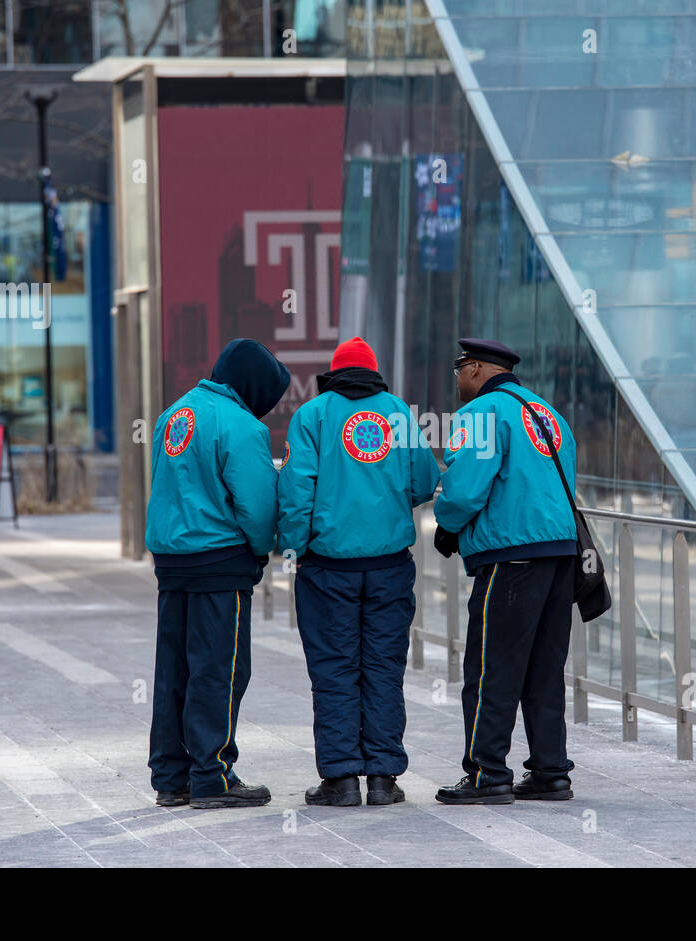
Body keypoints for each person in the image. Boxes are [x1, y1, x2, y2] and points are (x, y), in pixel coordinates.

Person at [278, 337, 439, 807]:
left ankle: (342, 779)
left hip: (327, 569)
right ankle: (384, 779)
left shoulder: (312, 415)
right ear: (375, 372)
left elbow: (295, 493)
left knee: (334, 670)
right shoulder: (398, 413)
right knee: (384, 669)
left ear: (334, 373)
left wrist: (294, 548)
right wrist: (387, 501)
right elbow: (426, 481)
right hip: (389, 566)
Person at [431, 338, 579, 805]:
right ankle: (551, 772)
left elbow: (464, 487)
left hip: (511, 556)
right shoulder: (547, 413)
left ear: (474, 369)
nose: (457, 381)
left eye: (458, 371)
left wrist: (446, 525)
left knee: (491, 668)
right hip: (561, 554)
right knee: (543, 668)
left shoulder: (480, 413)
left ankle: (486, 774)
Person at [144, 339, 289, 809]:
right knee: (219, 671)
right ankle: (213, 775)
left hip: (172, 564)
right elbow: (257, 506)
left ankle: (172, 777)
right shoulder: (240, 426)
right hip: (219, 564)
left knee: (174, 671)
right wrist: (263, 548)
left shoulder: (174, 416)